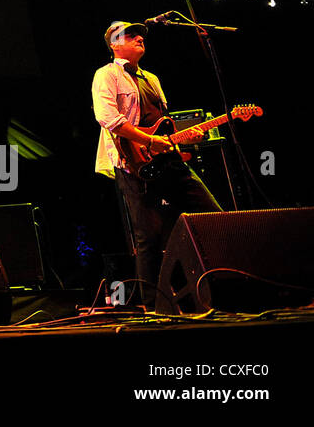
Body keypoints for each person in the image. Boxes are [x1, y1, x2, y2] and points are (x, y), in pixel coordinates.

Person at [92, 20, 221, 307]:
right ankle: (153, 307)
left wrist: (184, 137)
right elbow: (108, 118)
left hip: (167, 159)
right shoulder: (107, 75)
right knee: (148, 237)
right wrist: (149, 142)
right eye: (129, 35)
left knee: (212, 217)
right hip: (134, 164)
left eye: (140, 35)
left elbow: (161, 127)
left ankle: (223, 289)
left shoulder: (152, 79)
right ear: (114, 44)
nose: (139, 38)